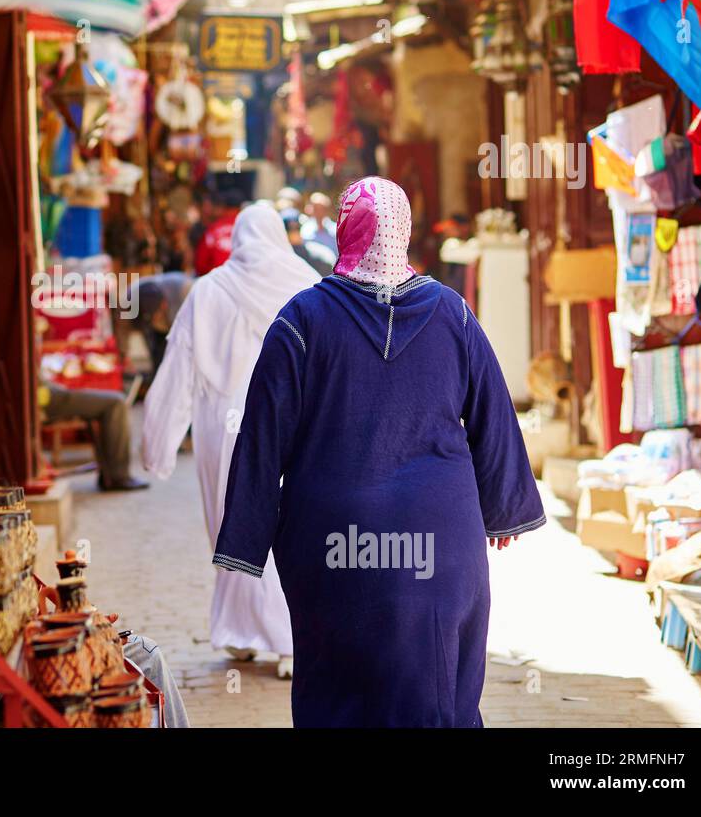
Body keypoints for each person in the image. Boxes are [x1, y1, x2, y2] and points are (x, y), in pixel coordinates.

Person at [214, 177, 544, 727]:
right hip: (441, 541)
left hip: (335, 543)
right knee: (443, 691)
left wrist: (247, 539)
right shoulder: (453, 314)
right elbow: (494, 415)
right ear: (405, 231)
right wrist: (503, 509)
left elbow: (261, 439)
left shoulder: (300, 321)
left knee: (338, 687)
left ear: (347, 229)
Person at [142, 203, 321, 678]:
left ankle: (261, 635)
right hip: (290, 425)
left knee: (232, 527)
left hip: (223, 427)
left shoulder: (209, 290)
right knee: (287, 526)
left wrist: (157, 447)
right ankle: (263, 635)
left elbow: (178, 366)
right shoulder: (305, 285)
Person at [44, 381, 148, 492]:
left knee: (111, 399)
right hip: (43, 397)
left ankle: (110, 475)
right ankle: (118, 476)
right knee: (117, 402)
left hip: (43, 393)